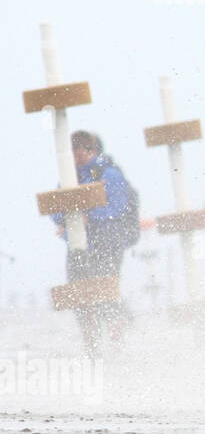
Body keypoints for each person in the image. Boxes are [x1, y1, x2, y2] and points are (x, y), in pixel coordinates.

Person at [52, 131, 135, 349]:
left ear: (92, 151)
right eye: (74, 154)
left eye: (81, 153)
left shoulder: (109, 174)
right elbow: (55, 208)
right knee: (77, 288)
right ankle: (90, 333)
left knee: (104, 286)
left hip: (107, 241)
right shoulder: (69, 178)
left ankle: (117, 326)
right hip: (78, 244)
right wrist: (67, 219)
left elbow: (118, 206)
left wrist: (90, 217)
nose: (77, 158)